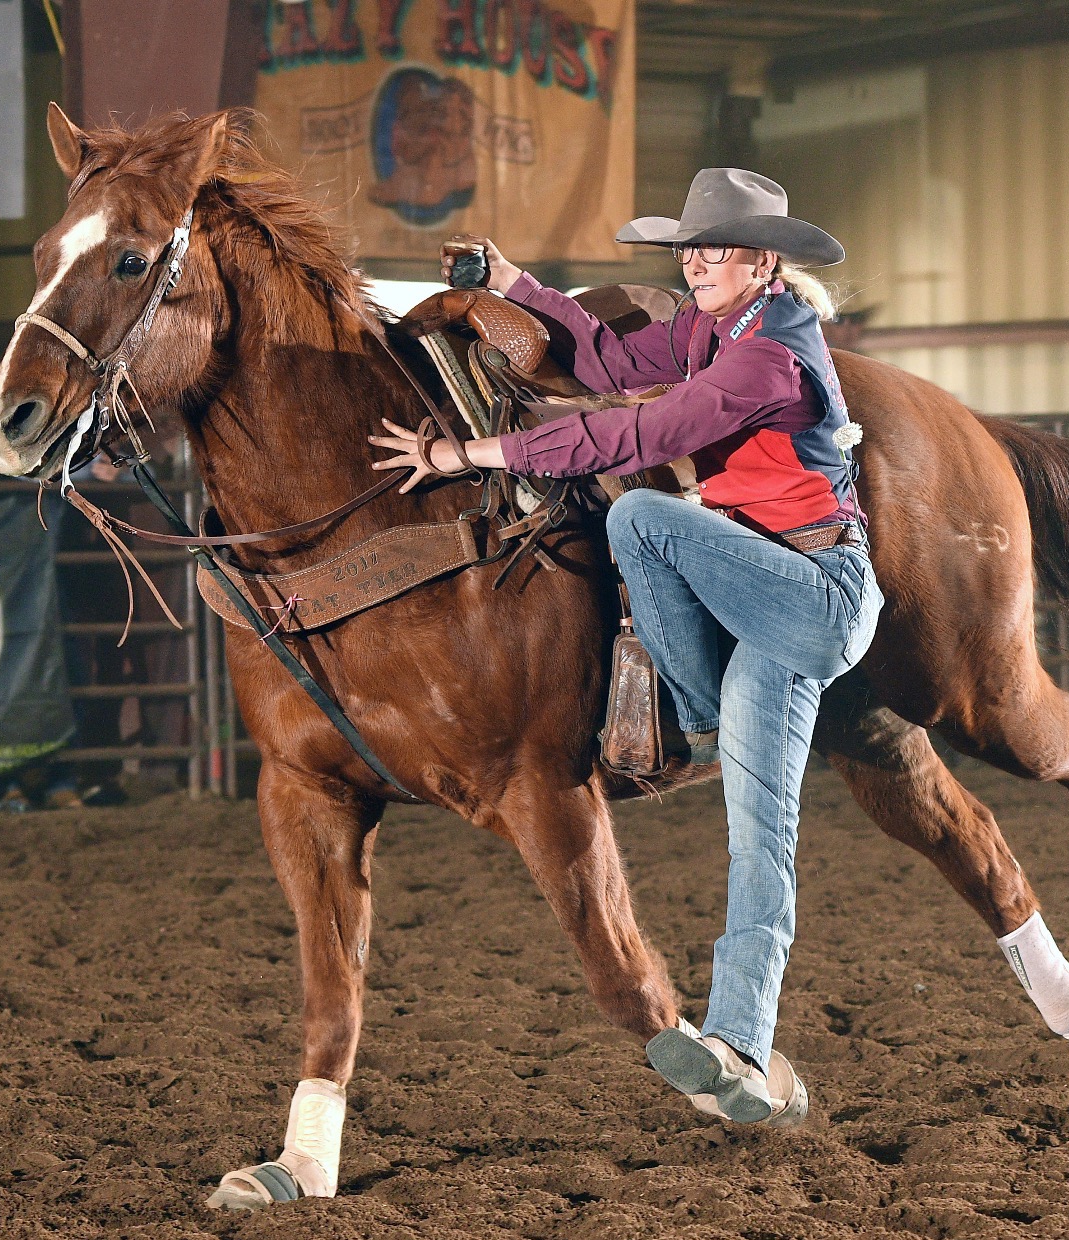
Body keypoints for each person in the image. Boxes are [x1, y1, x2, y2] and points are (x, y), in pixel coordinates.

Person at [369, 168, 882, 1127]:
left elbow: (640, 427)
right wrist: (520, 286)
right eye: (687, 247)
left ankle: (691, 712)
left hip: (814, 596)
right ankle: (743, 1045)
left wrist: (468, 456)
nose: (693, 261)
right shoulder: (719, 329)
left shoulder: (767, 357)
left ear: (763, 261)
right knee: (760, 842)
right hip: (767, 598)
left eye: (713, 247)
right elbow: (604, 359)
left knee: (644, 514)